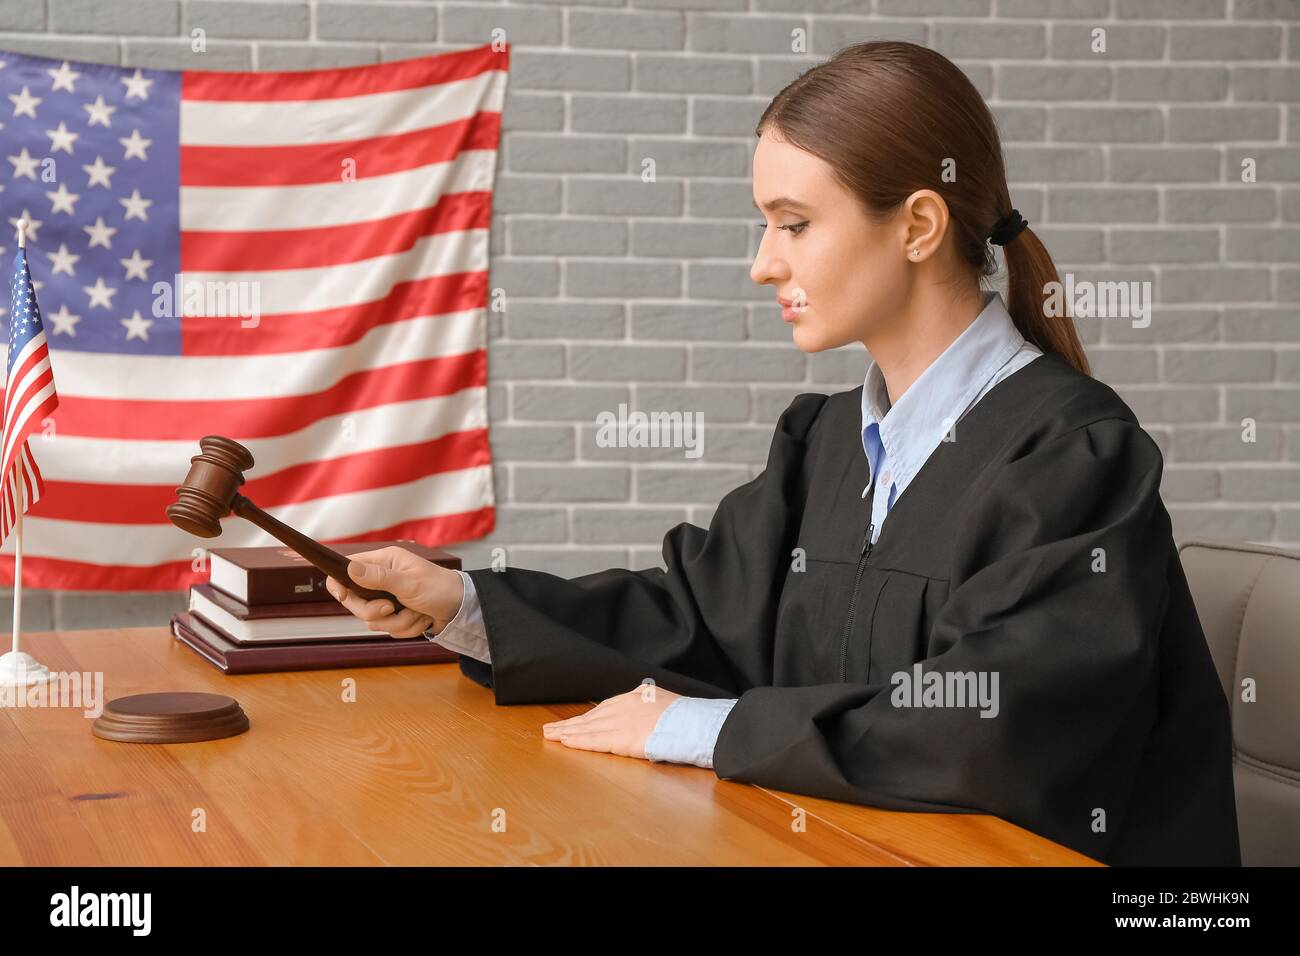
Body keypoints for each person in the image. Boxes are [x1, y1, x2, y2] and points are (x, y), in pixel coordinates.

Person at [326, 41, 1240, 867]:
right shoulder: (829, 441)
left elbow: (988, 724)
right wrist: (467, 603)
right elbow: (695, 619)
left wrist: (702, 729)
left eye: (794, 223)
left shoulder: (1075, 456)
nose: (766, 264)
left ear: (918, 226)